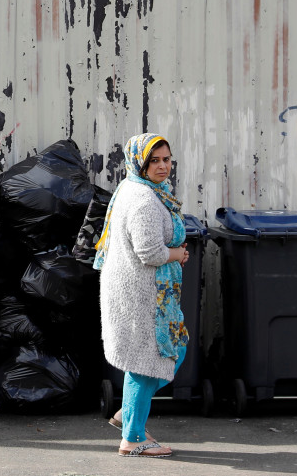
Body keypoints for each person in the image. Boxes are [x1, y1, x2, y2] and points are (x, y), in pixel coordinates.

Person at [93, 133, 190, 458]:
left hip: (145, 291)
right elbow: (149, 252)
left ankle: (128, 413)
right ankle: (133, 437)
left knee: (173, 349)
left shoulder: (141, 189)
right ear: (140, 163)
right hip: (142, 296)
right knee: (145, 365)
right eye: (155, 160)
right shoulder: (144, 199)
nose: (162, 166)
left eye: (166, 159)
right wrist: (176, 254)